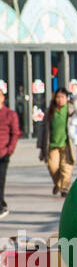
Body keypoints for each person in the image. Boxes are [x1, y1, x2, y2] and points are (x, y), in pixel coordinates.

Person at [37, 88, 75, 196]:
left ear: (66, 98)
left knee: (66, 167)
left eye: (62, 97)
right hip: (52, 145)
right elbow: (43, 128)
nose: (60, 100)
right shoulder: (50, 110)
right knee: (53, 167)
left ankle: (64, 188)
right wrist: (40, 145)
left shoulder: (71, 110)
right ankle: (58, 183)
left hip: (67, 144)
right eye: (58, 97)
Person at [0, 86, 19, 218]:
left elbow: (15, 133)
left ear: (3, 98)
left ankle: (1, 205)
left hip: (3, 152)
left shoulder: (10, 114)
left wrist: (9, 150)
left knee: (0, 180)